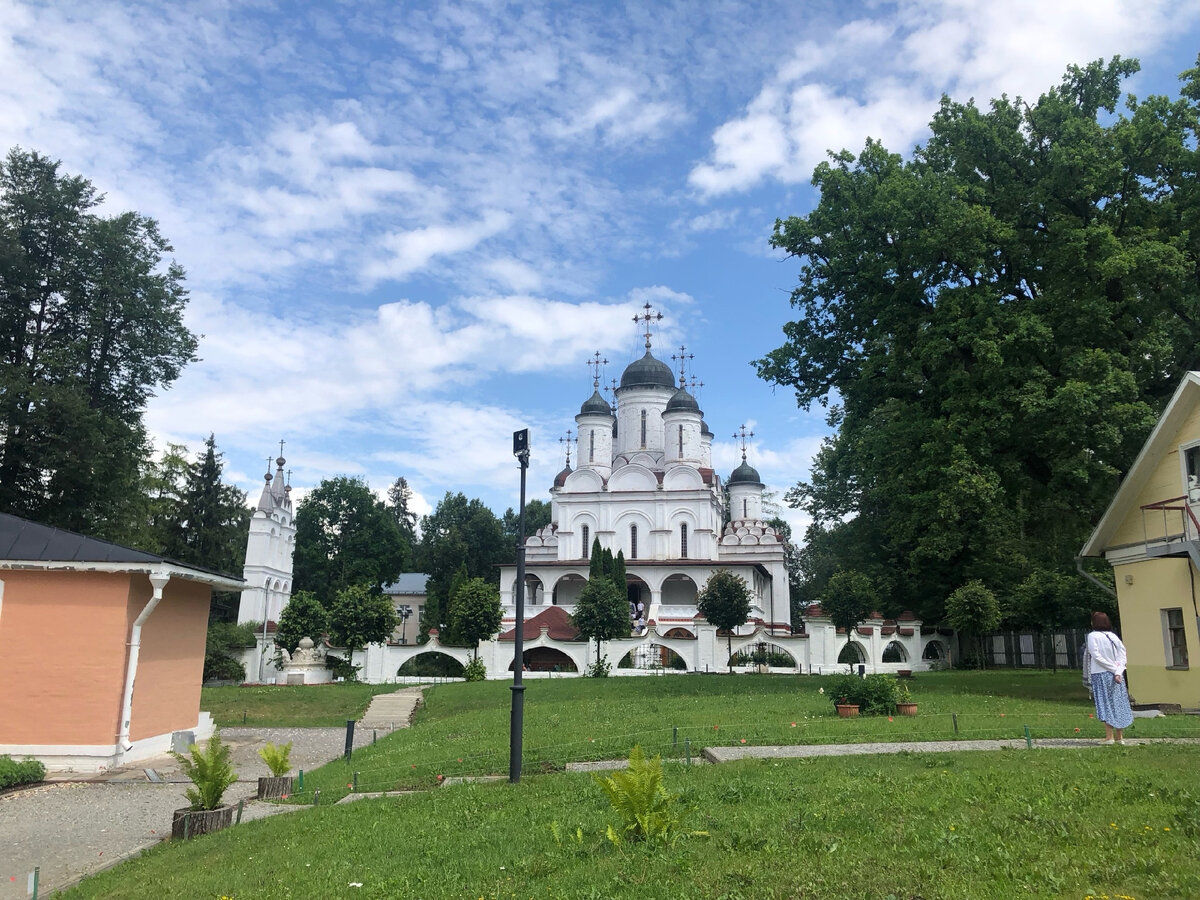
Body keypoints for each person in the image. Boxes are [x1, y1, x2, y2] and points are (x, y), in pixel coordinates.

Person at [1086, 611, 1134, 745]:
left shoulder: (1092, 636)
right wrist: (1118, 671)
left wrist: (1113, 669)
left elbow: (1096, 656)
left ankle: (1109, 737)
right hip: (1117, 674)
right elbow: (1122, 655)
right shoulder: (1113, 636)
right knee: (1118, 702)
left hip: (1100, 673)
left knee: (1105, 703)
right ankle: (1120, 737)